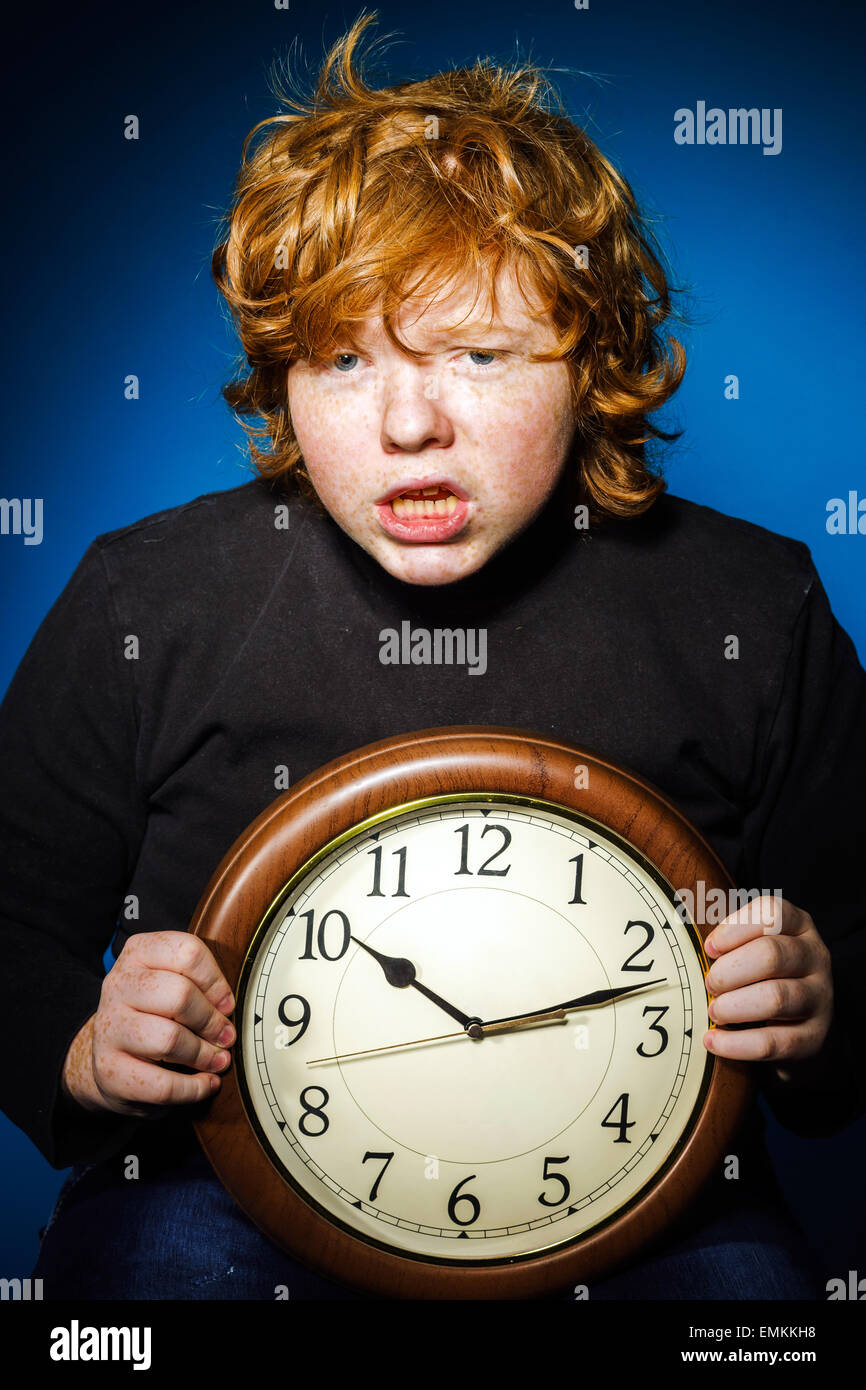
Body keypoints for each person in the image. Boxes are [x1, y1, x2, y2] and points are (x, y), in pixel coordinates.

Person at [2, 13, 863, 1300]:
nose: (408, 422)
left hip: (659, 1216)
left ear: (590, 364)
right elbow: (11, 922)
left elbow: (853, 928)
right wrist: (80, 1049)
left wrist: (819, 1000)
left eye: (475, 354)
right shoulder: (154, 596)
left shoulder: (751, 602)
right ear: (280, 375)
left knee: (759, 1321)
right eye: (343, 360)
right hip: (213, 1195)